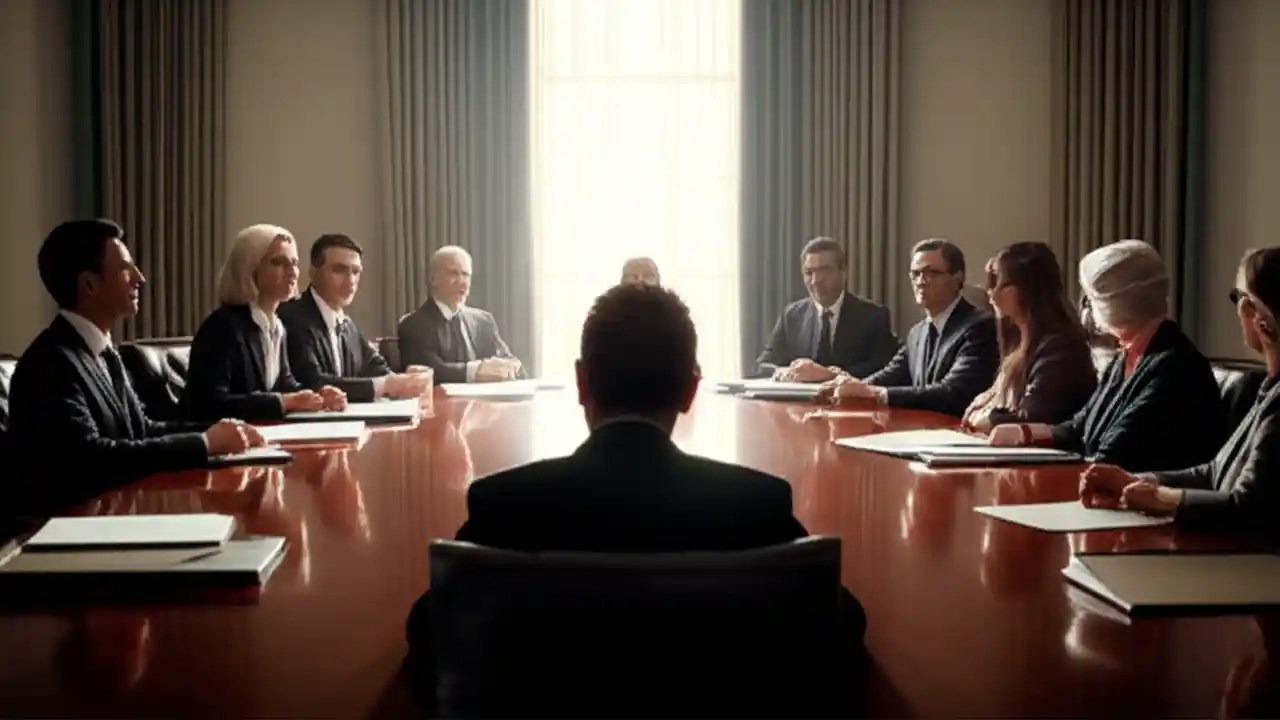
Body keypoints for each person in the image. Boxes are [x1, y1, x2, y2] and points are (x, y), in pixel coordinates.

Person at [405, 284, 865, 706]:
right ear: (690, 390)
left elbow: (430, 633)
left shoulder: (502, 502)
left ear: (582, 384)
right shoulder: (756, 502)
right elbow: (840, 625)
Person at [8, 219, 263, 513]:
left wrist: (220, 431)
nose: (139, 278)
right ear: (89, 284)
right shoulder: (49, 363)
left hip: (115, 511)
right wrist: (203, 443)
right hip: (71, 530)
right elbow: (90, 458)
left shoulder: (102, 350)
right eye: (126, 269)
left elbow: (142, 429)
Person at [1079, 247, 1280, 532]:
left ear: (1253, 312)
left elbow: (1248, 507)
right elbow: (1213, 472)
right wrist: (1138, 481)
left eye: (1238, 298)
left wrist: (1162, 498)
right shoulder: (1271, 388)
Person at [989, 240, 1223, 472]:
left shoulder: (1174, 367)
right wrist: (1025, 432)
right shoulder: (1127, 356)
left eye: (1093, 299)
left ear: (1115, 302)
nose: (1087, 308)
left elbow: (1116, 451)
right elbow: (1080, 427)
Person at [183, 224, 347, 421]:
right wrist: (284, 402)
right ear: (248, 269)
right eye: (279, 262)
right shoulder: (221, 327)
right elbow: (208, 404)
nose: (292, 272)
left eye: (294, 263)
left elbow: (285, 385)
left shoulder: (277, 326)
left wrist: (317, 395)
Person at [825, 238, 999, 417]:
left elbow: (953, 393)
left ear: (958, 278)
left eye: (931, 273)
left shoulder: (980, 327)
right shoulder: (917, 332)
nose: (921, 281)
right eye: (915, 274)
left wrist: (875, 394)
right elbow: (890, 375)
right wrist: (848, 387)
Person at [278, 234, 431, 402]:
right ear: (313, 273)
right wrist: (386, 384)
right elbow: (313, 382)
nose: (350, 280)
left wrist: (405, 380)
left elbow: (375, 366)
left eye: (356, 272)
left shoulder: (347, 323)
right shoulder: (292, 317)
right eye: (339, 270)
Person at [961, 242, 1096, 432]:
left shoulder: (1060, 347)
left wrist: (989, 419)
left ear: (1027, 288)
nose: (991, 291)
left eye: (999, 282)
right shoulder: (1018, 341)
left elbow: (1034, 416)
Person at [755, 237, 898, 381]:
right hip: (799, 402)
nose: (815, 280)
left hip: (850, 400)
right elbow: (763, 365)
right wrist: (786, 372)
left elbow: (884, 366)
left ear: (843, 271)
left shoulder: (873, 316)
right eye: (809, 273)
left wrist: (831, 375)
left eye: (824, 271)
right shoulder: (791, 316)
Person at [397, 246, 523, 383]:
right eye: (454, 274)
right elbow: (430, 371)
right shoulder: (413, 325)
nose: (462, 281)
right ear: (433, 279)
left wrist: (511, 367)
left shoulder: (483, 321)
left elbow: (508, 360)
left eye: (466, 275)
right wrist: (476, 371)